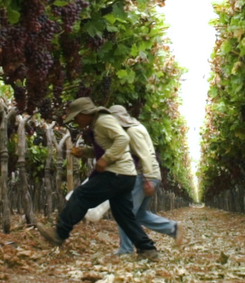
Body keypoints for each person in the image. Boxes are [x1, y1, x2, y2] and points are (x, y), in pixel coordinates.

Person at [35, 97, 159, 260]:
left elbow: (123, 139)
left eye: (77, 117)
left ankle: (59, 233)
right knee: (124, 215)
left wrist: (106, 160)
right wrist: (86, 152)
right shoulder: (98, 123)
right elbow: (110, 145)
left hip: (116, 173)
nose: (77, 121)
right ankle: (147, 249)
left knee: (81, 195)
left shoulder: (103, 121)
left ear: (85, 113)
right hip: (125, 175)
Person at [108, 105, 186, 254]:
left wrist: (146, 179)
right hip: (150, 175)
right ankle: (172, 228)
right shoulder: (136, 127)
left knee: (126, 213)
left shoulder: (132, 131)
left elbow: (144, 155)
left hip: (144, 176)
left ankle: (126, 249)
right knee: (139, 214)